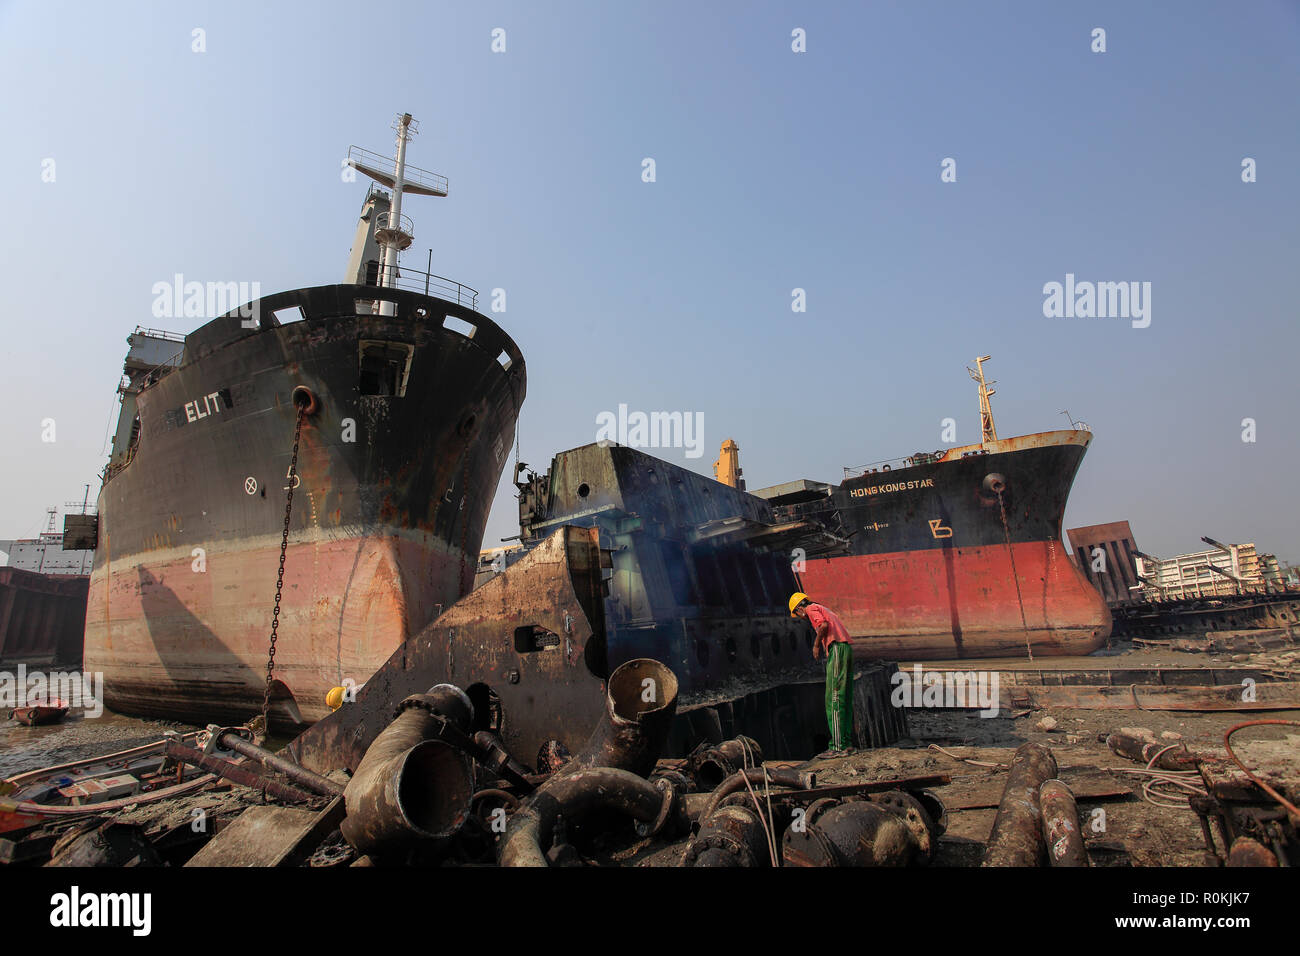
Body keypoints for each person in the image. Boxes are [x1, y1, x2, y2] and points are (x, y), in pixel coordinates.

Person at [789, 592, 854, 756]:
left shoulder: (810, 609)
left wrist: (816, 645)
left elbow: (823, 626)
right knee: (843, 697)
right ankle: (845, 743)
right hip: (844, 649)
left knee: (834, 698)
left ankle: (838, 747)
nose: (802, 619)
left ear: (799, 609)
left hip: (837, 649)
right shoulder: (821, 607)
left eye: (798, 615)